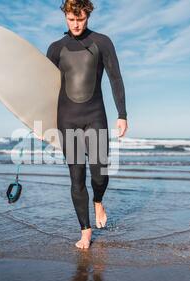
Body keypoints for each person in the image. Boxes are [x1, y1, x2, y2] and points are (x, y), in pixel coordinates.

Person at [47, 0, 128, 249]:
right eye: (71, 20)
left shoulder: (102, 42)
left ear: (87, 15)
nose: (76, 24)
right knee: (76, 177)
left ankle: (99, 201)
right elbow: (43, 89)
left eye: (80, 19)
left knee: (100, 171)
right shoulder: (56, 48)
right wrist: (37, 122)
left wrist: (122, 114)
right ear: (65, 17)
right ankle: (85, 230)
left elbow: (115, 77)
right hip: (66, 118)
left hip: (95, 115)